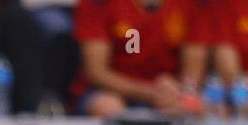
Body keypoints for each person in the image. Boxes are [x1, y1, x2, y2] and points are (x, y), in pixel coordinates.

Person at [72, 0, 214, 117]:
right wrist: (150, 93)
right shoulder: (98, 3)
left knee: (197, 108)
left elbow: (193, 72)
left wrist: (180, 92)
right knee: (107, 107)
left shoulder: (193, 5)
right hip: (109, 91)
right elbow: (96, 72)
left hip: (169, 91)